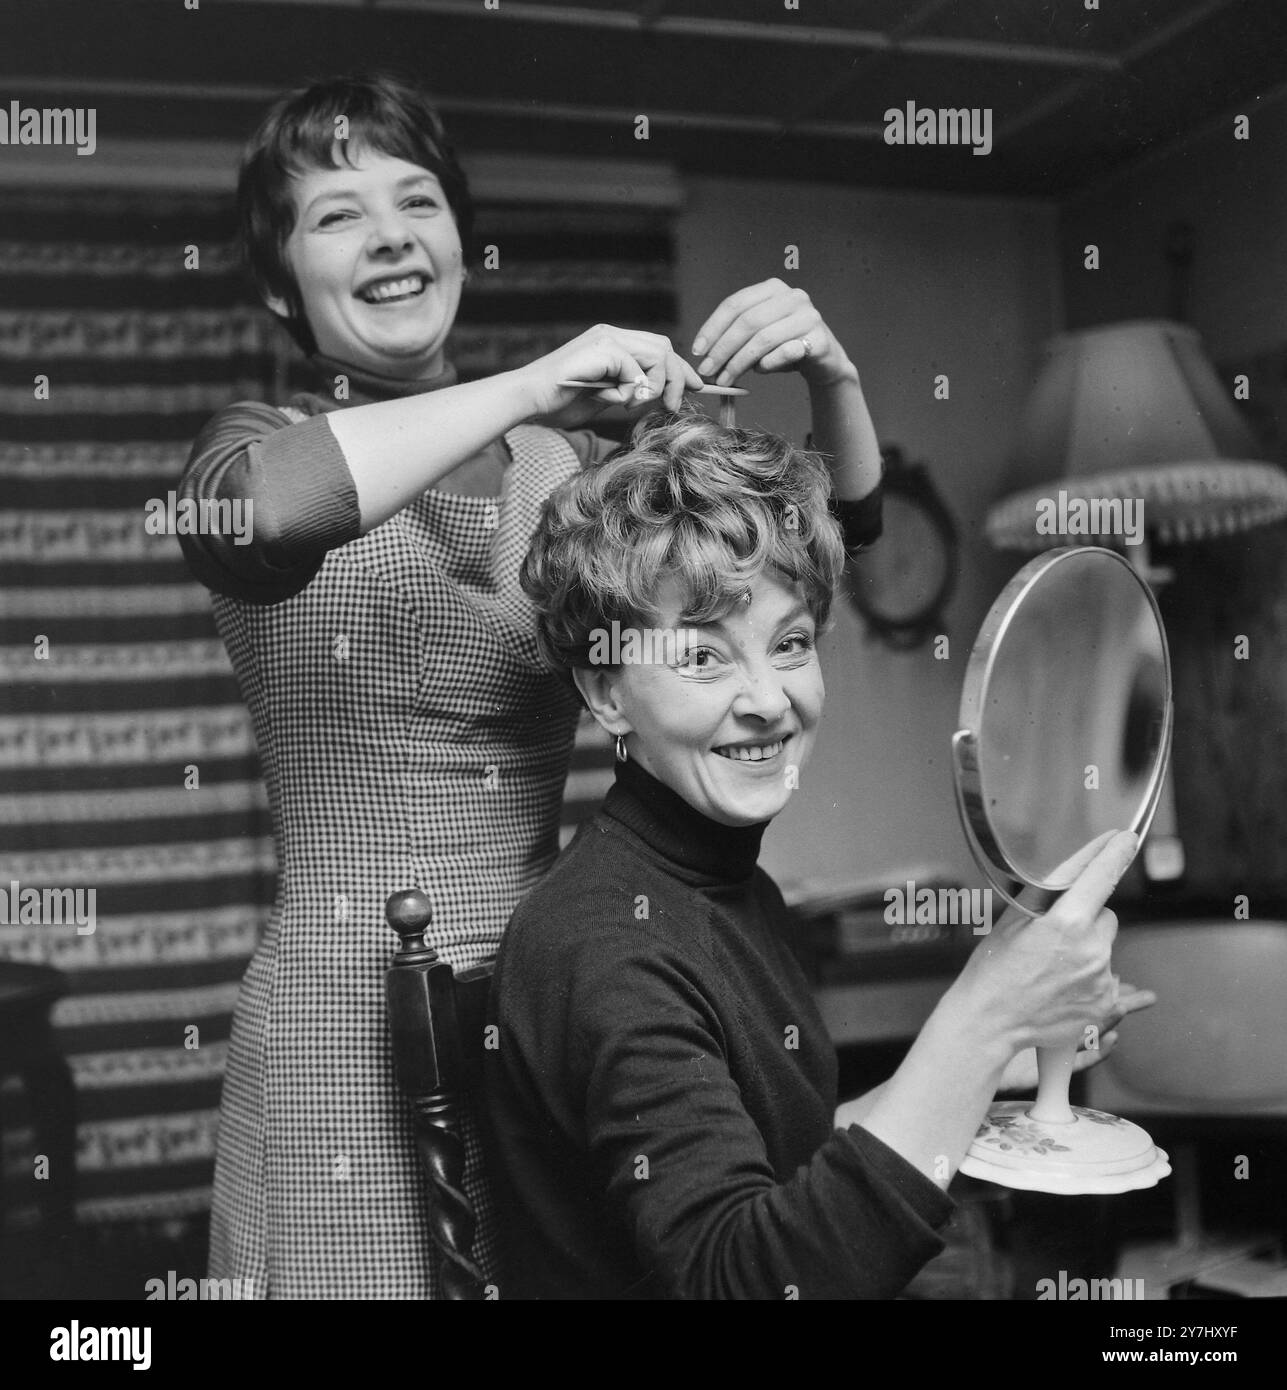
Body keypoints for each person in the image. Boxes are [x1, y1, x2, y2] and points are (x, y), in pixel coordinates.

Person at [177, 72, 886, 1298]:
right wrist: (524, 385)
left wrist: (833, 374)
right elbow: (268, 512)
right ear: (278, 281)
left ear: (460, 234)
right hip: (338, 1031)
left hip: (560, 1004)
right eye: (337, 214)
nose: (393, 232)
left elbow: (823, 535)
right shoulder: (251, 446)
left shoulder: (566, 469)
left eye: (418, 199)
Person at [485, 409, 1154, 1299]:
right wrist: (983, 1016)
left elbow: (784, 1165)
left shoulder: (728, 889)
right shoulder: (605, 942)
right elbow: (749, 1280)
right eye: (701, 657)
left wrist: (988, 1055)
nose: (766, 698)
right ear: (606, 693)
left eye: (790, 643)